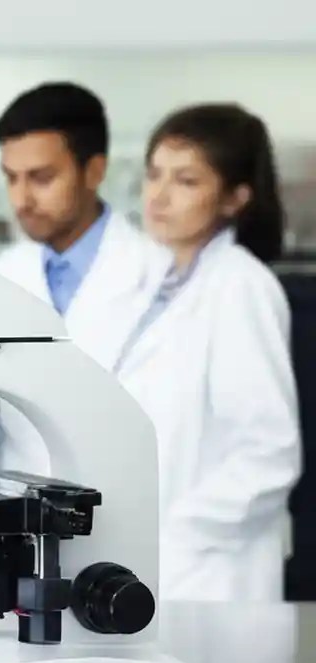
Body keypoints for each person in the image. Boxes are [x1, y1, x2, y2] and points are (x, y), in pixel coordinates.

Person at [116, 103, 300, 601]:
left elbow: (269, 453)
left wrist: (181, 535)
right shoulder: (152, 283)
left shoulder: (242, 287)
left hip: (208, 570)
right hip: (150, 557)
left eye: (187, 180)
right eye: (154, 175)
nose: (160, 194)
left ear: (235, 197)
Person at [0, 82, 166, 474]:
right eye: (11, 178)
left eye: (41, 178)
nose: (21, 199)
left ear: (94, 170)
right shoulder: (2, 274)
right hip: (24, 513)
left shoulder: (159, 274)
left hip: (127, 507)